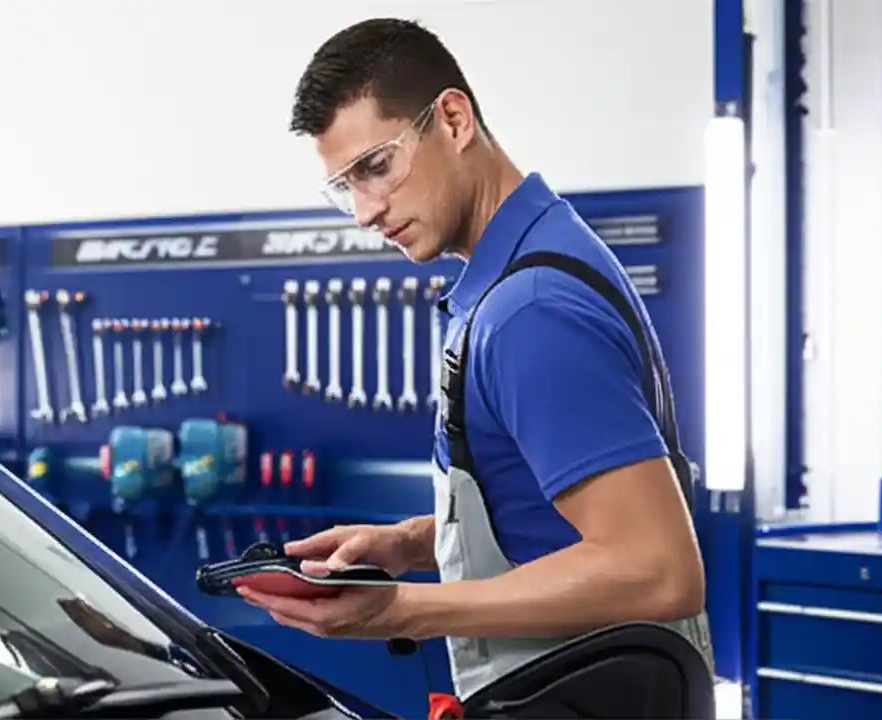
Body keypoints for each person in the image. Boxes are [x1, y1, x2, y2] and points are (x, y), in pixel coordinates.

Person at [235, 17, 714, 699]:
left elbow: (658, 569)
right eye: (345, 186)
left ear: (454, 119)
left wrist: (404, 610)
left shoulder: (531, 310)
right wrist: (410, 543)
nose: (366, 211)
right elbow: (550, 517)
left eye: (377, 166)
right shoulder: (530, 262)